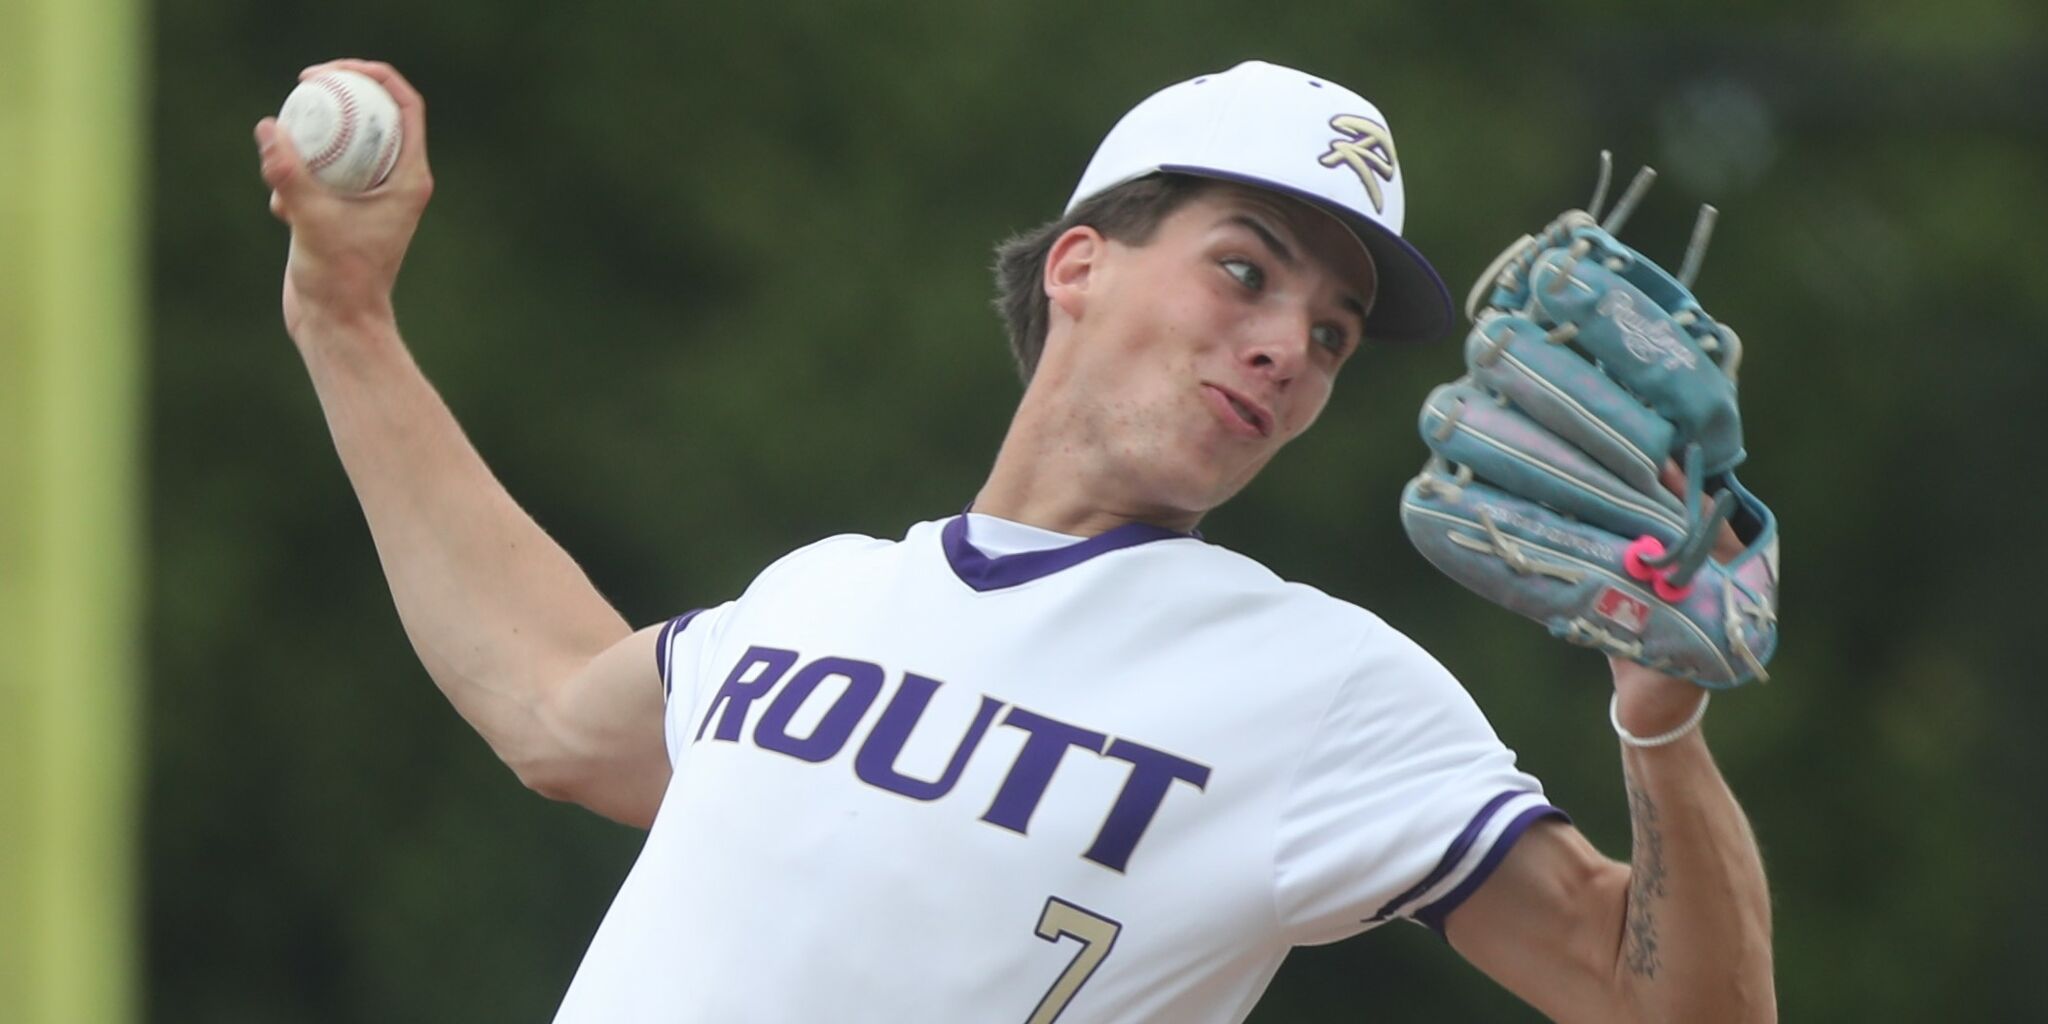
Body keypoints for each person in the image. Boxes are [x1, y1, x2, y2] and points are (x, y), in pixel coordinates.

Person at [254, 57, 1774, 1022]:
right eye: (1244, 273)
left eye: (1331, 331)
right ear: (1078, 266)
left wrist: (1660, 730)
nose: (1286, 348)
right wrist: (345, 317)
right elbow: (548, 697)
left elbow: (1666, 1009)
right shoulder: (823, 600)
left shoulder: (1318, 686)